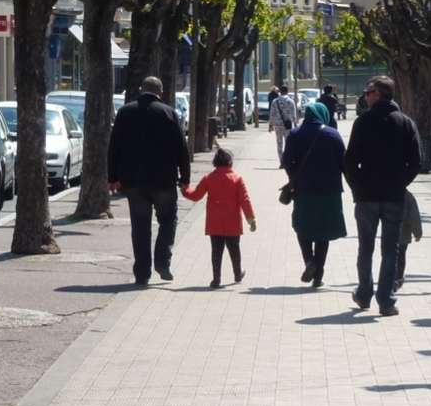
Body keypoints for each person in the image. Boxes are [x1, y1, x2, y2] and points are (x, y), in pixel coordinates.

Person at [344, 76, 421, 316]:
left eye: (368, 92)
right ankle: (386, 299)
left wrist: (357, 187)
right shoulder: (405, 123)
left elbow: (349, 162)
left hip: (366, 196)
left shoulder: (363, 122)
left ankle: (365, 293)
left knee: (365, 247)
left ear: (378, 94)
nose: (365, 96)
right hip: (393, 196)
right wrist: (400, 183)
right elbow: (416, 162)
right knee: (391, 249)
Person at [109, 76, 190, 286]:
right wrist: (185, 178)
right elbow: (182, 147)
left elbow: (114, 145)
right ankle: (162, 261)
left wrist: (112, 178)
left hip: (133, 181)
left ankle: (142, 273)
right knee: (168, 220)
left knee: (140, 226)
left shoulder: (125, 112)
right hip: (163, 179)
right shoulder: (168, 113)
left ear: (140, 89)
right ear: (160, 92)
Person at [282, 102, 347, 288]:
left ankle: (309, 261)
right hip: (330, 191)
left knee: (302, 227)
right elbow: (344, 162)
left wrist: (294, 177)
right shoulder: (332, 134)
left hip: (303, 190)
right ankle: (318, 275)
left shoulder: (295, 134)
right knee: (323, 232)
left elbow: (286, 161)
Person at [182, 148, 256, 288]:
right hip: (232, 223)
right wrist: (251, 219)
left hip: (214, 222)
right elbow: (245, 200)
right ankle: (237, 273)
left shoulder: (209, 178)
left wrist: (184, 189)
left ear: (215, 162)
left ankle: (216, 279)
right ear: (230, 162)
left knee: (216, 252)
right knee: (234, 250)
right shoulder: (237, 179)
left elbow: (196, 195)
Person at [394, 189, 422, 292]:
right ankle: (398, 278)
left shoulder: (387, 191)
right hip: (403, 233)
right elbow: (414, 216)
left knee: (390, 255)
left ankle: (390, 277)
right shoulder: (408, 196)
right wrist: (417, 233)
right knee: (401, 256)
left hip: (390, 232)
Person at [271, 85, 297, 166]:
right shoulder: (290, 101)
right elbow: (294, 114)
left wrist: (270, 124)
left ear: (280, 92)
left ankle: (281, 161)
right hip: (288, 125)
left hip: (278, 125)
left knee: (279, 144)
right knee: (288, 143)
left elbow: (272, 114)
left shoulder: (275, 101)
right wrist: (295, 124)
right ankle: (287, 161)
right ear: (287, 91)